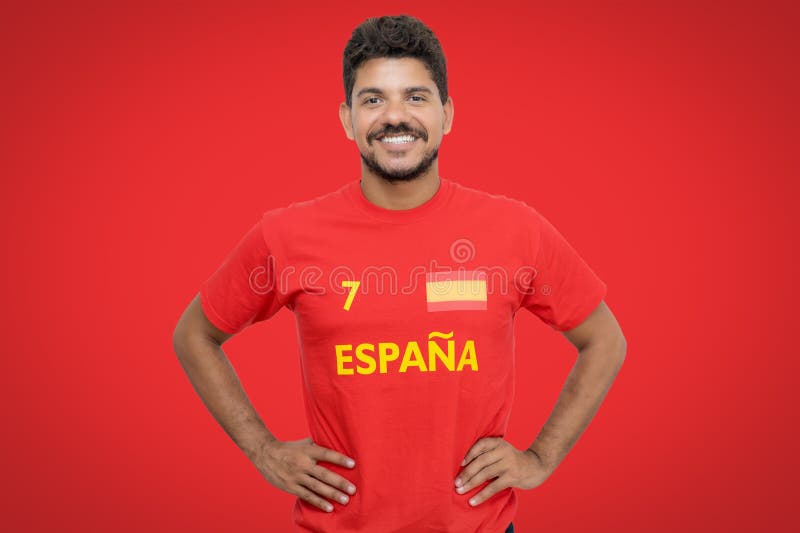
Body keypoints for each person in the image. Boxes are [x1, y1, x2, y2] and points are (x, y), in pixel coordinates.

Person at [172, 14, 626, 533]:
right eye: (373, 100)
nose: (394, 117)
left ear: (447, 113)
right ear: (346, 119)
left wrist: (541, 458)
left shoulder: (516, 230)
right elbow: (195, 335)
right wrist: (262, 449)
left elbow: (604, 341)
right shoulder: (286, 235)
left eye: (415, 97)